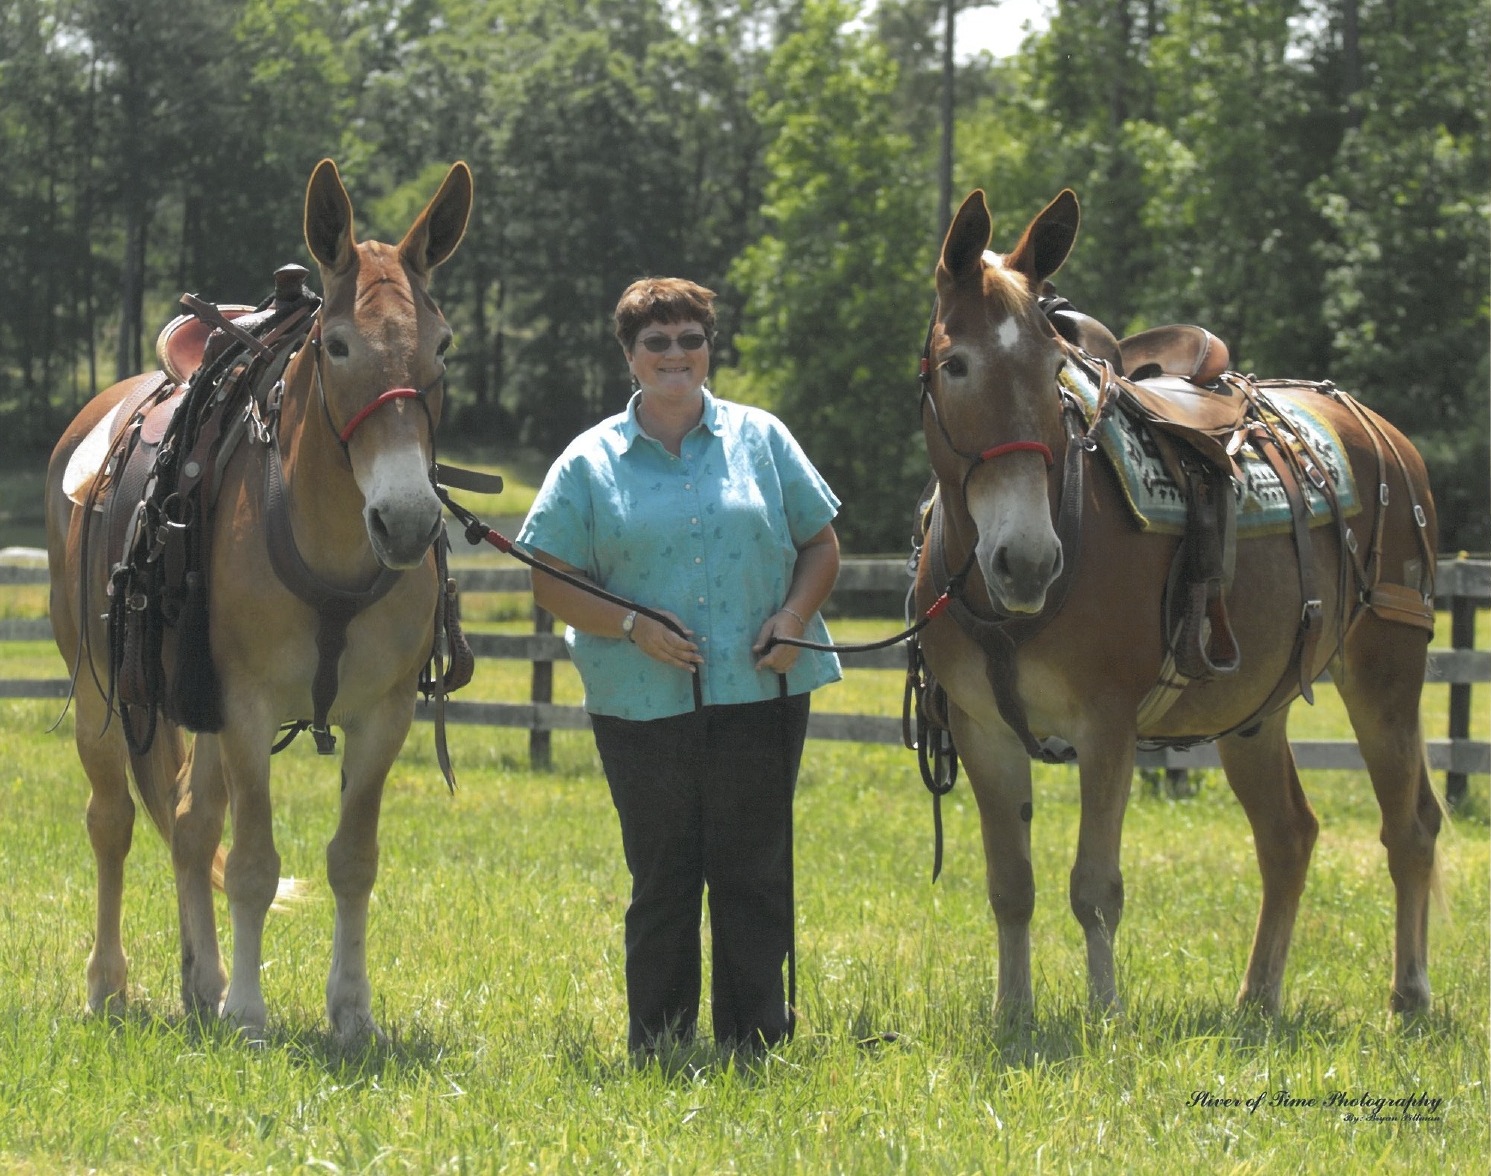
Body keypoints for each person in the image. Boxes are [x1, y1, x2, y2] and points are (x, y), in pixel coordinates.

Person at [517, 277, 842, 1056]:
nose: (675, 354)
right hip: (639, 703)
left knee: (754, 870)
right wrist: (631, 626)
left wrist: (793, 619)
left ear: (708, 348)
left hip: (762, 689)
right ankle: (660, 1042)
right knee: (663, 875)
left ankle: (753, 1042)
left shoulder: (763, 439)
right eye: (656, 342)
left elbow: (820, 544)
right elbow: (549, 580)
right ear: (629, 356)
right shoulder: (588, 462)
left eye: (689, 339)